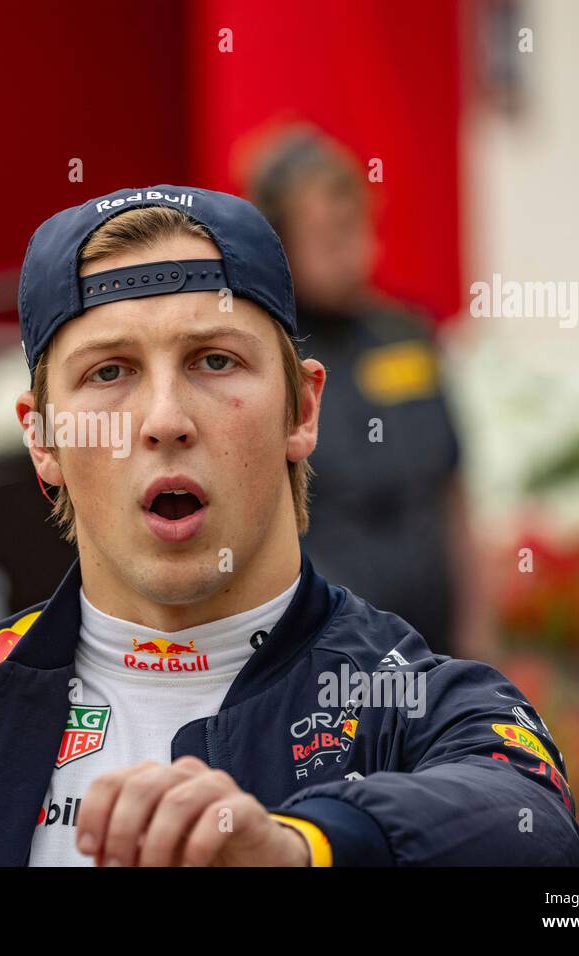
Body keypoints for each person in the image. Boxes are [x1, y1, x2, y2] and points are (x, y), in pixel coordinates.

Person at [0, 184, 579, 867]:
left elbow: (539, 837)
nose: (163, 417)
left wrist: (298, 848)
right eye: (109, 373)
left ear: (302, 411)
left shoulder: (418, 703)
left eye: (215, 360)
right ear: (43, 439)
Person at [246, 127, 493, 660]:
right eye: (327, 237)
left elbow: (453, 491)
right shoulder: (264, 355)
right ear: (279, 241)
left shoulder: (406, 334)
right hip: (328, 652)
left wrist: (480, 629)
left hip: (436, 643)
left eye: (354, 227)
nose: (351, 251)